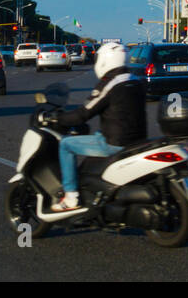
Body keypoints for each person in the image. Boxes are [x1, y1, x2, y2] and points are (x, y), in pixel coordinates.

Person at [48, 41, 147, 211]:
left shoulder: (110, 83)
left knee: (66, 145)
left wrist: (58, 118)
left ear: (105, 60)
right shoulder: (135, 80)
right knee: (97, 136)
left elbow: (84, 113)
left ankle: (71, 197)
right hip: (139, 140)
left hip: (115, 142)